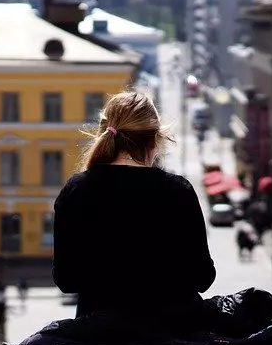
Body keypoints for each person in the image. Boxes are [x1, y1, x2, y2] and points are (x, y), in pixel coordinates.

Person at [52, 91, 216, 318]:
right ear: (154, 140)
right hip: (169, 336)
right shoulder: (178, 192)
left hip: (100, 337)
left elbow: (66, 280)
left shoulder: (77, 190)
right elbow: (203, 278)